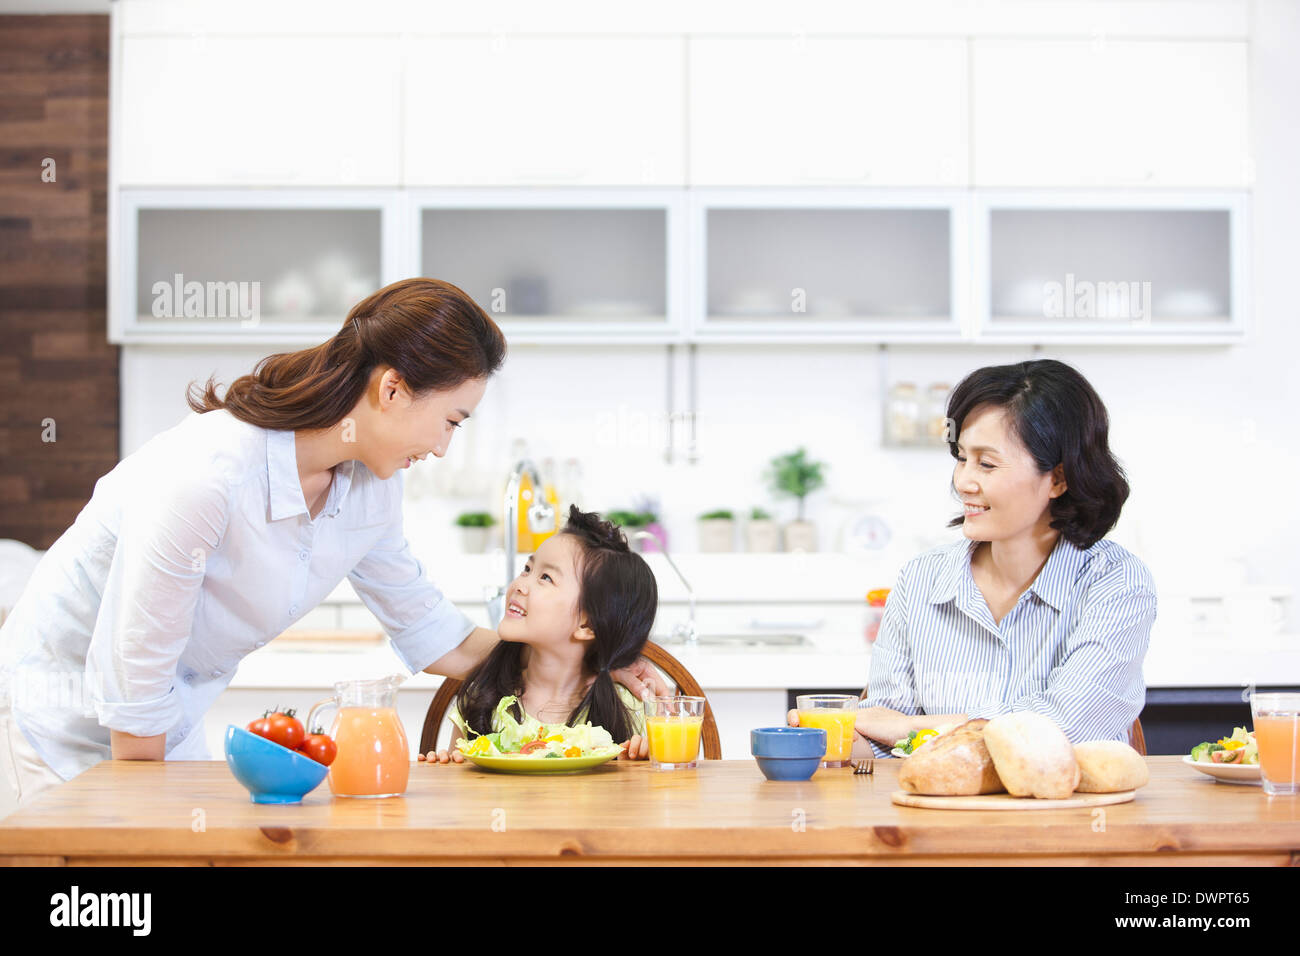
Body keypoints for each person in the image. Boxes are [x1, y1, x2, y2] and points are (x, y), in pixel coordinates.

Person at [0, 278, 663, 809]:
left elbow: (442, 639)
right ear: (392, 388)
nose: (441, 447)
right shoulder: (205, 478)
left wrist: (599, 653)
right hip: (58, 727)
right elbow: (135, 688)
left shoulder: (368, 489)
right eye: (450, 421)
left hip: (156, 730)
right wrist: (142, 833)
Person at [791, 359, 1157, 758]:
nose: (963, 481)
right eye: (961, 457)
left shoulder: (1116, 582)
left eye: (986, 463)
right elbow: (886, 744)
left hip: (1067, 816)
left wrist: (912, 727)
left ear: (1057, 479)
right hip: (938, 814)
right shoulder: (922, 579)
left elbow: (1063, 729)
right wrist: (842, 740)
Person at [423, 506, 658, 763]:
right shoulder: (485, 697)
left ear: (587, 625)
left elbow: (661, 789)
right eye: (527, 568)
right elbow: (463, 786)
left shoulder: (627, 708)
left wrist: (641, 761)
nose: (520, 585)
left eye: (545, 577)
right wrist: (448, 766)